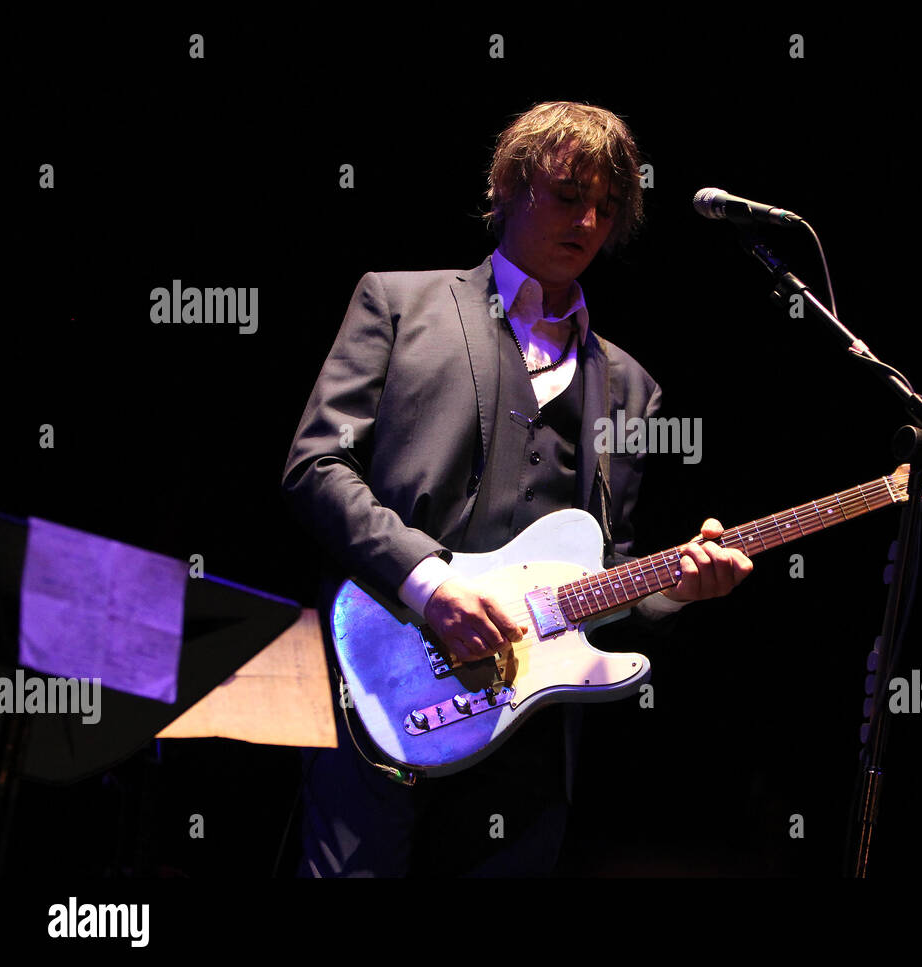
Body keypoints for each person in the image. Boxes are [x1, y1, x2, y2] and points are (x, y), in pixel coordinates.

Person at [281, 101, 752, 876]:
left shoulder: (631, 386)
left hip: (528, 734)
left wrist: (677, 590)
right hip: (381, 681)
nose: (588, 221)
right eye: (570, 195)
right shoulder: (400, 304)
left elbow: (608, 567)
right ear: (509, 183)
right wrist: (430, 585)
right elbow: (315, 466)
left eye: (607, 208)